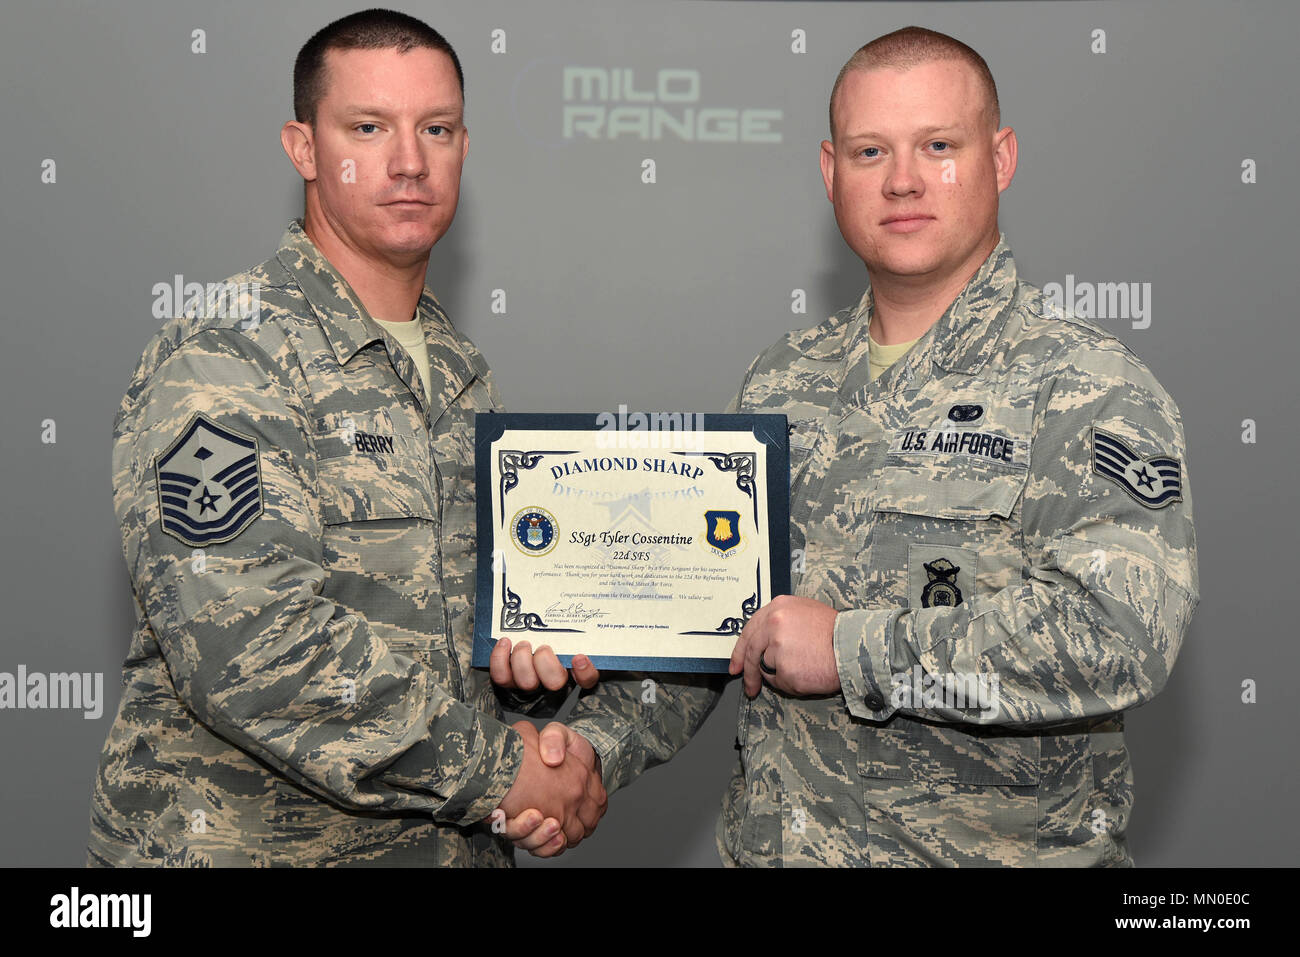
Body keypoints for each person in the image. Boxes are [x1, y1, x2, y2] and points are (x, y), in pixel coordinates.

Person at [500, 25, 1198, 866]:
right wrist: (586, 752)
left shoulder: (1088, 386)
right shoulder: (780, 383)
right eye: (871, 152)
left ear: (1000, 158)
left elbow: (1119, 636)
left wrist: (851, 649)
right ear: (831, 174)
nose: (902, 180)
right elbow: (710, 630)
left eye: (938, 145)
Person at [87, 8, 603, 867]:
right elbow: (250, 640)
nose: (408, 160)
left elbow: (461, 633)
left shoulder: (462, 374)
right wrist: (502, 772)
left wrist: (532, 683)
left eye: (435, 129)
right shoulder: (225, 350)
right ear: (304, 149)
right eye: (368, 127)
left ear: (464, 148)